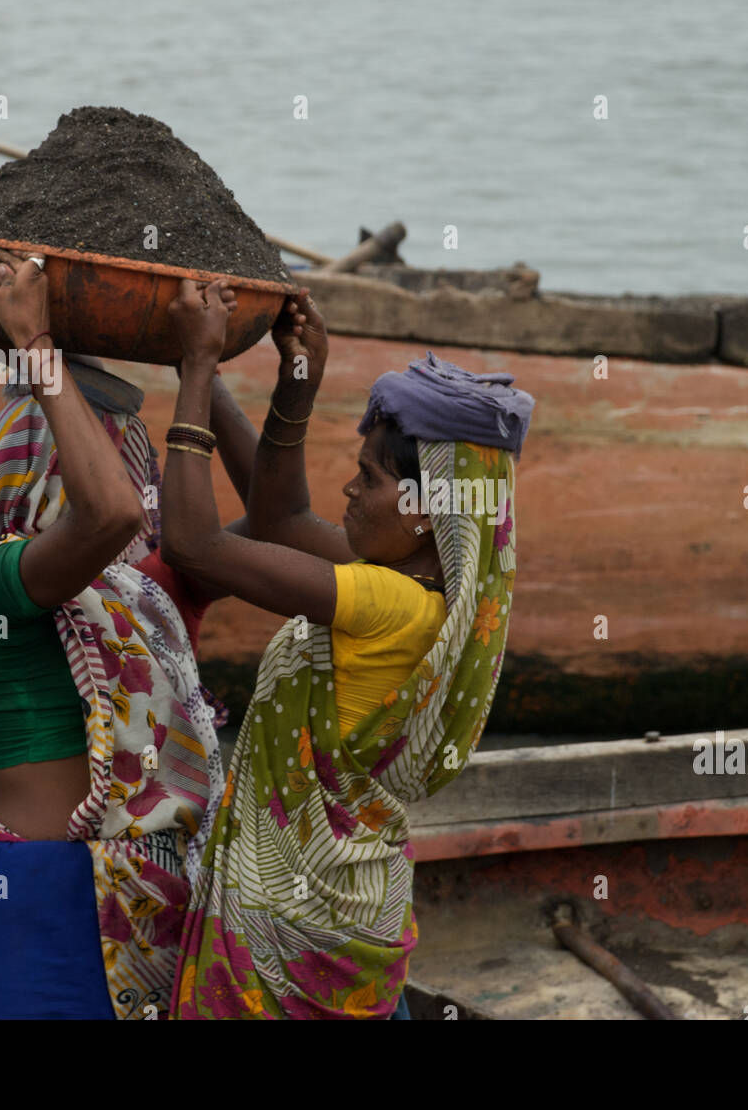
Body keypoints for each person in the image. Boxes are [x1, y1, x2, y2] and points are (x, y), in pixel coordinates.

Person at [0, 243, 252, 1018]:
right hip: (42, 925)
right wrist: (36, 352)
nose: (139, 484)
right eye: (123, 456)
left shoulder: (138, 598)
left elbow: (270, 521)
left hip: (59, 919)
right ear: (52, 472)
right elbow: (106, 513)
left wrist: (200, 367)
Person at [161, 279, 533, 1019]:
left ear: (427, 513)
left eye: (369, 477)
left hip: (295, 943)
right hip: (343, 922)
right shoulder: (395, 585)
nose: (349, 489)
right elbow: (279, 514)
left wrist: (199, 370)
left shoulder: (386, 603)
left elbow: (196, 545)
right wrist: (296, 378)